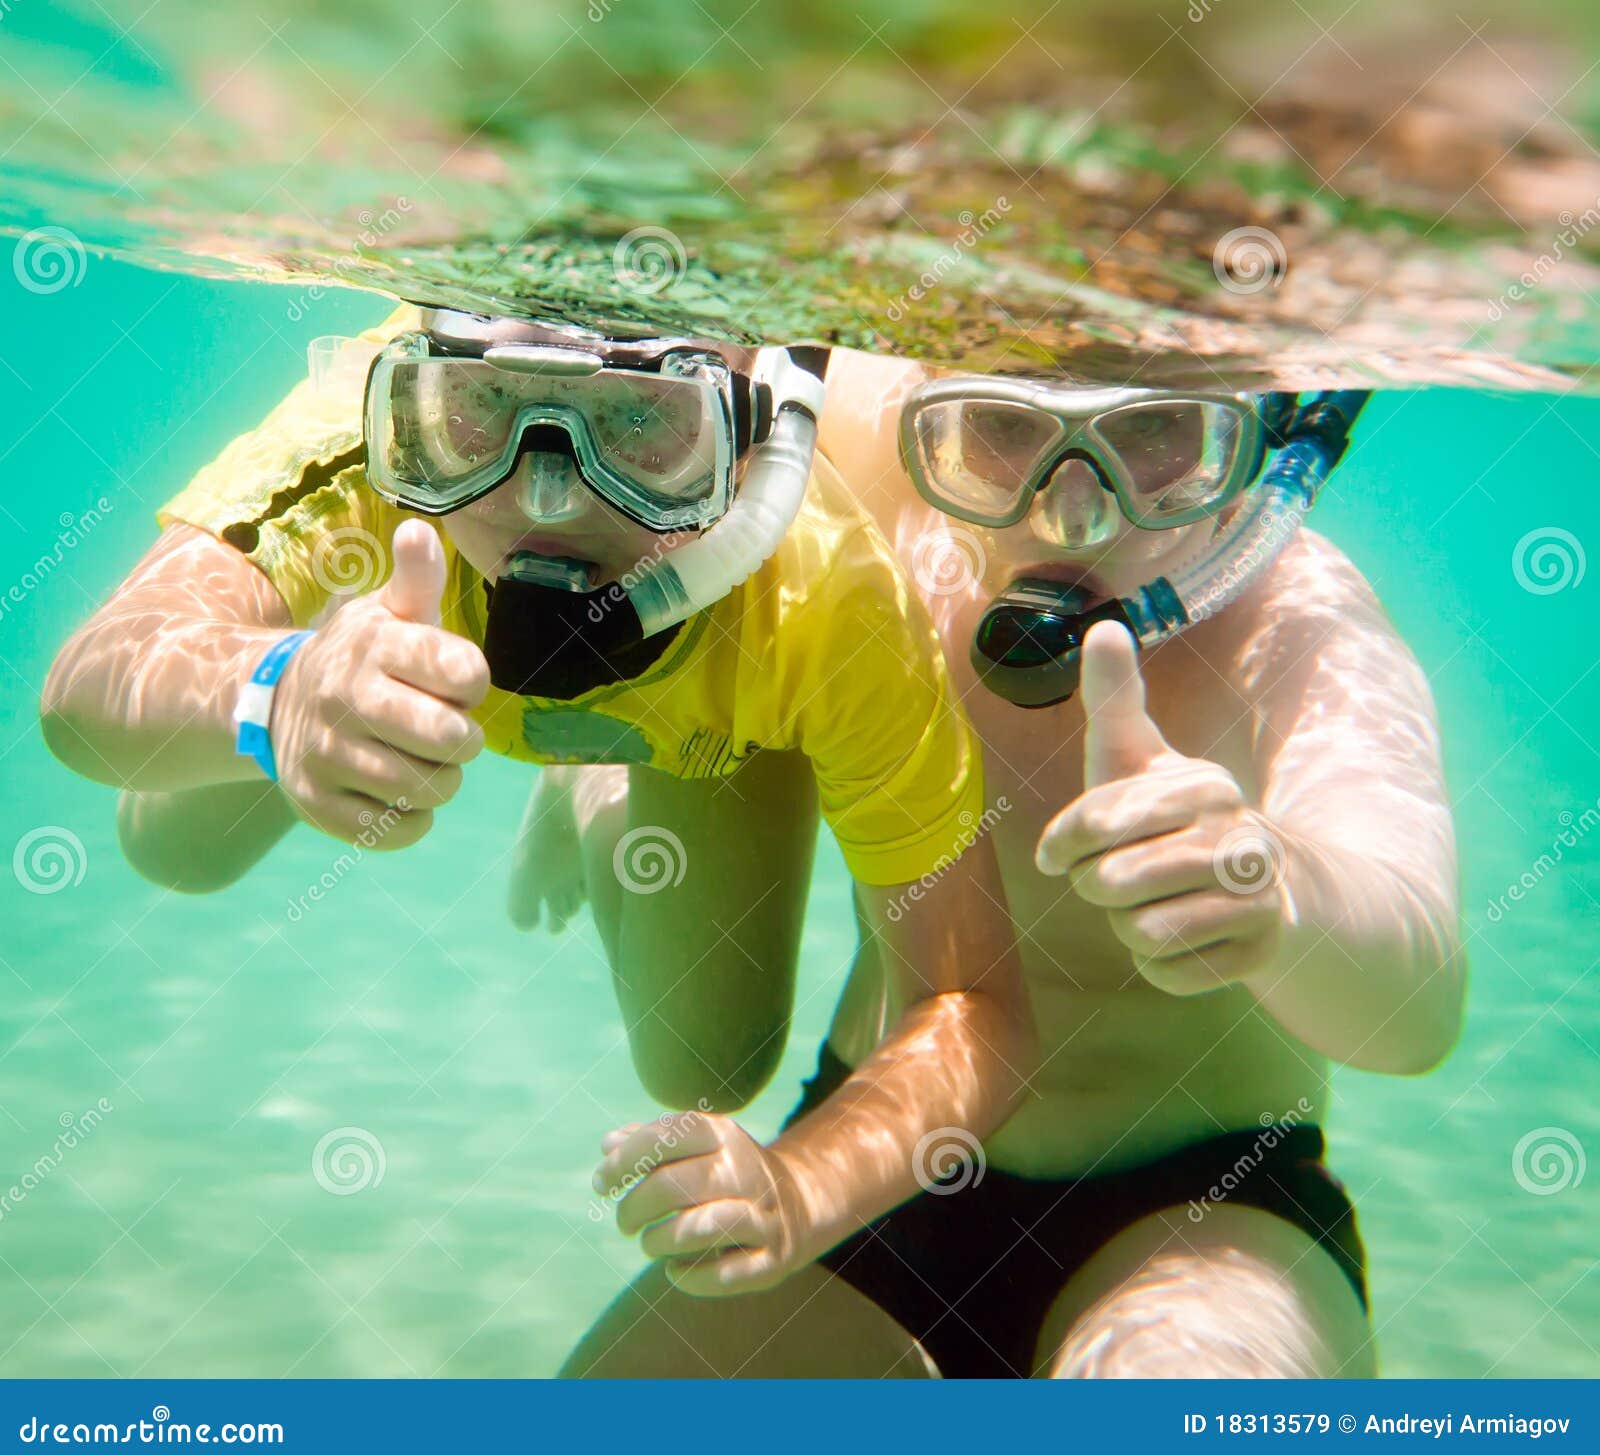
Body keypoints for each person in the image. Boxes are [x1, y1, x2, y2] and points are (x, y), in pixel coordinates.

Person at [40, 305, 1033, 1303]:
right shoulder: (365, 450)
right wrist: (281, 691)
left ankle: (595, 776)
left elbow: (973, 1002)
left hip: (708, 719)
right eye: (483, 409)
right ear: (419, 401)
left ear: (751, 438)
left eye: (644, 422)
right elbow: (90, 677)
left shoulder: (822, 599)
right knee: (175, 844)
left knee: (708, 1062)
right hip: (353, 646)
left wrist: (798, 1186)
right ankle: (345, 679)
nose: (548, 496)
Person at [558, 355, 1466, 1377]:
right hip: (876, 1160)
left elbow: (1418, 1004)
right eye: (1002, 433)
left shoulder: (1296, 623)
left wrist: (1277, 895)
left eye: (1156, 433)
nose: (1071, 512)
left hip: (1204, 1213)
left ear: (1253, 443)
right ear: (929, 421)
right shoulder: (881, 499)